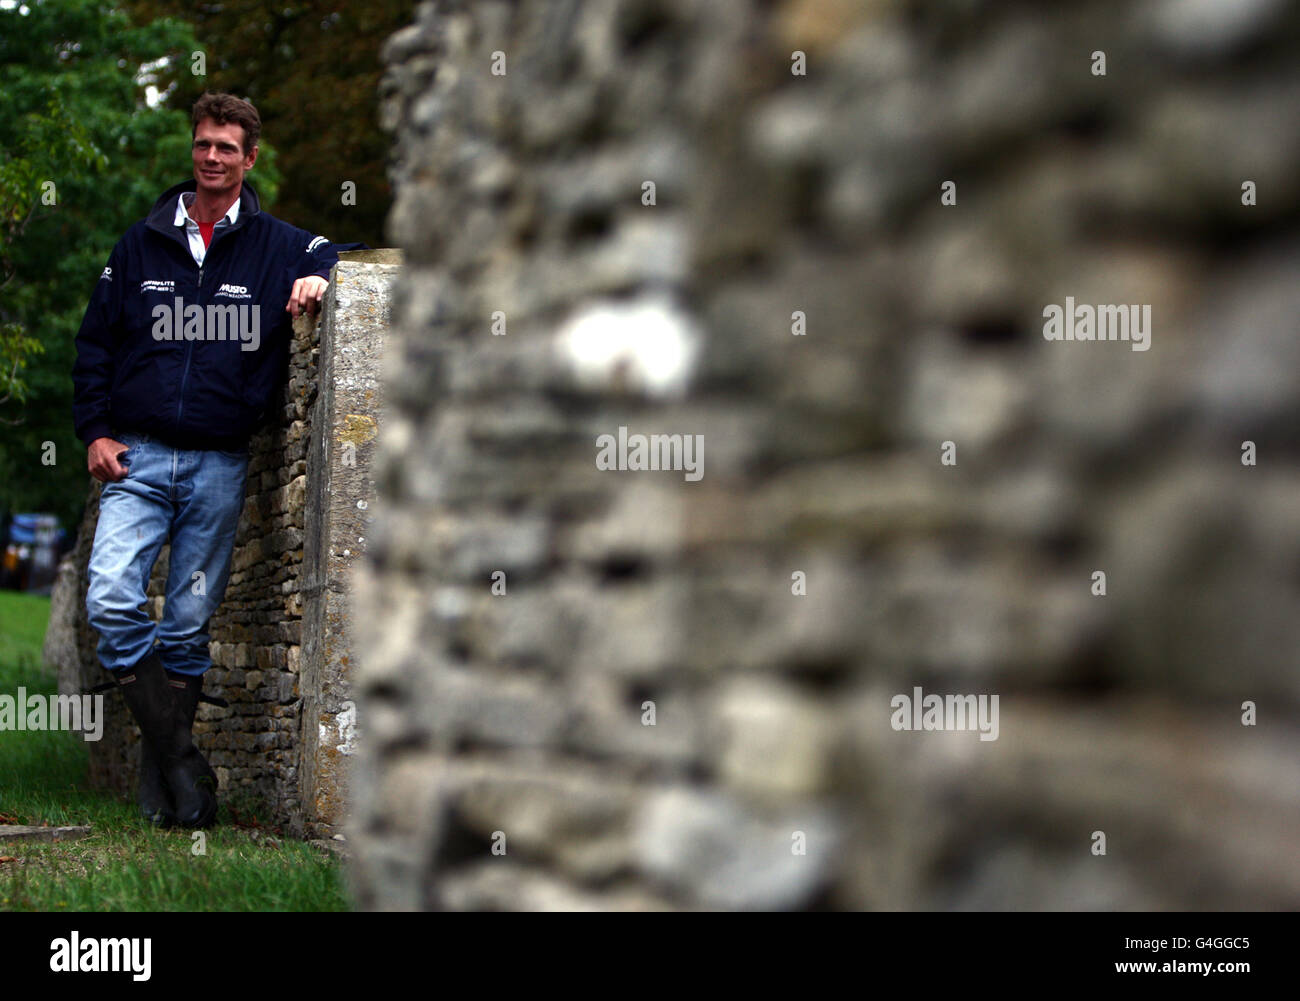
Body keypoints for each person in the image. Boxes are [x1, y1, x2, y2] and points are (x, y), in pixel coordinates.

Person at [72, 92, 362, 828]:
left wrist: (321, 277)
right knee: (110, 597)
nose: (212, 157)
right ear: (192, 149)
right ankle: (180, 756)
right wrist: (95, 431)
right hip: (136, 458)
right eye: (204, 143)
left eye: (227, 147)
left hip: (220, 465)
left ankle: (160, 784)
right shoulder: (141, 244)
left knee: (188, 624)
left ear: (249, 158)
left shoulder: (275, 245)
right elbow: (96, 344)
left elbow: (342, 253)